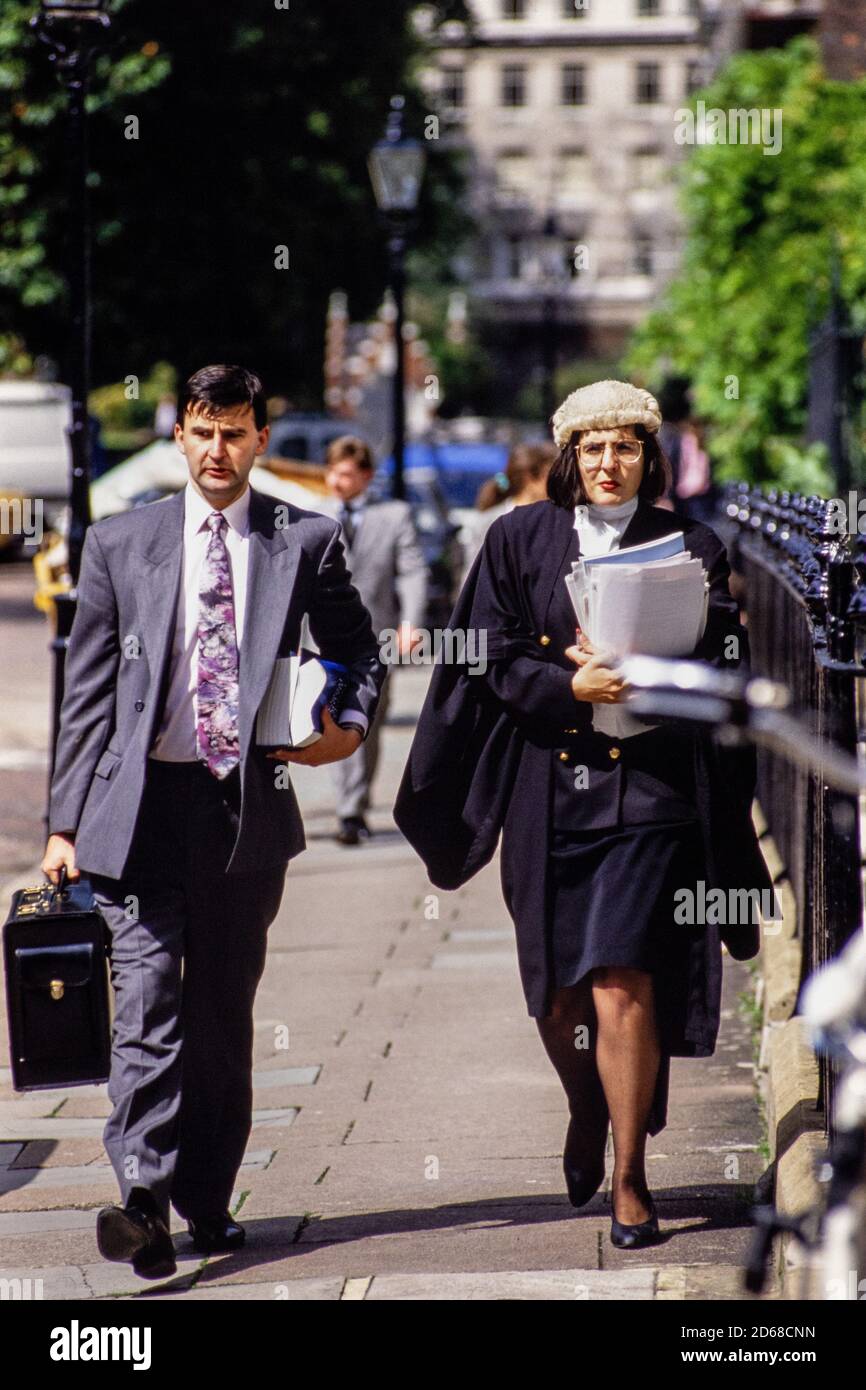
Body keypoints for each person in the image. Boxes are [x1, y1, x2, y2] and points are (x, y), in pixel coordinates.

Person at [394, 379, 771, 1251]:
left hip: (652, 793)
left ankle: (633, 1179)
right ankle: (586, 1105)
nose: (610, 464)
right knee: (559, 993)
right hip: (548, 790)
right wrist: (567, 684)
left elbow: (723, 661)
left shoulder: (694, 543)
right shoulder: (517, 538)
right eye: (594, 449)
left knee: (622, 979)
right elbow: (482, 655)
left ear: (651, 456)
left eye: (627, 447)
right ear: (571, 456)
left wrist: (653, 674)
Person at [41, 365, 386, 1279]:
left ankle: (206, 1199)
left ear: (260, 440)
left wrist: (344, 726)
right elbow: (84, 696)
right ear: (181, 438)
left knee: (222, 1016)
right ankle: (144, 1199)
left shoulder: (303, 539)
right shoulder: (121, 541)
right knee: (147, 1007)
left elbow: (358, 650)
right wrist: (64, 825)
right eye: (203, 432)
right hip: (138, 810)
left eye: (235, 432)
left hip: (240, 813)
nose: (218, 451)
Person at [323, 435, 427, 846]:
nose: (337, 482)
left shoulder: (395, 515)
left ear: (366, 476)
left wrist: (410, 623)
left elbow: (413, 572)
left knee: (368, 721)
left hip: (377, 639)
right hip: (324, 639)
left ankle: (356, 804)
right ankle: (347, 810)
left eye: (347, 474)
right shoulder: (312, 515)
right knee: (331, 717)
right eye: (332, 472)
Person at [461, 442, 557, 580]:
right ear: (530, 478)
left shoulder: (556, 520)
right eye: (551, 475)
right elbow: (472, 577)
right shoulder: (491, 522)